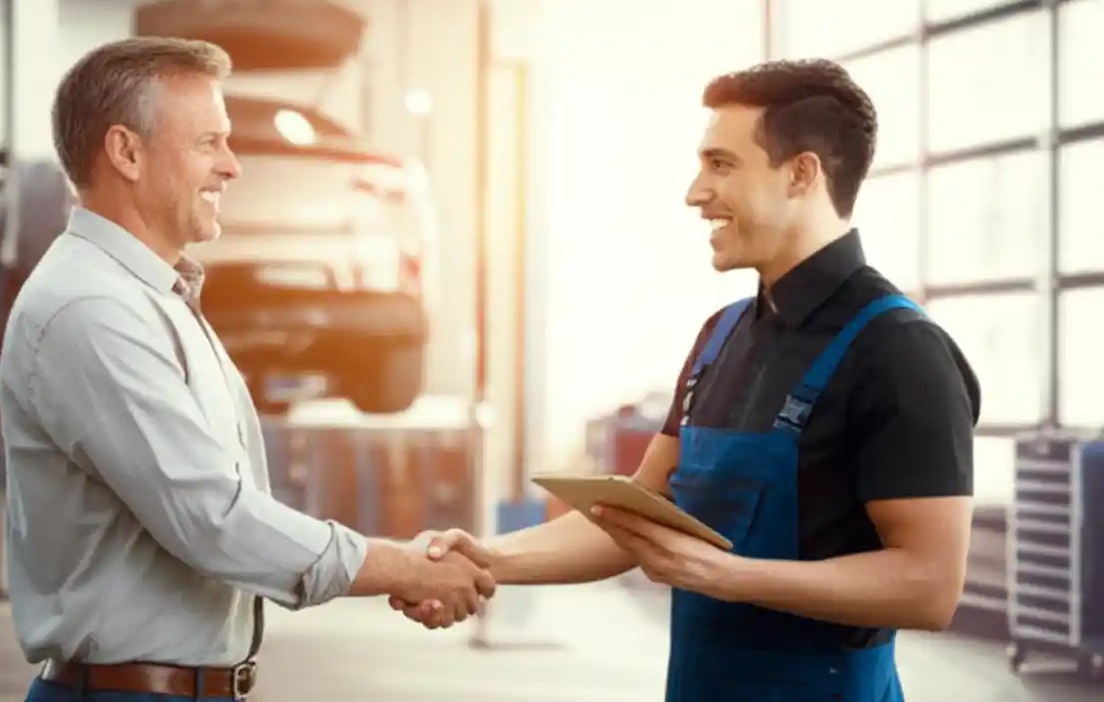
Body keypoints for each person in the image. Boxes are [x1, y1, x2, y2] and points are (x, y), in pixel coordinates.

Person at [395, 59, 980, 700]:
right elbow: (640, 517)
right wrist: (487, 558)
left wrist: (727, 576)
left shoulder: (901, 352)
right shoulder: (721, 336)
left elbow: (929, 585)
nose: (695, 191)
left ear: (802, 173)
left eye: (721, 164)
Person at [0, 37, 494, 702]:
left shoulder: (152, 299)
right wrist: (401, 567)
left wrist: (401, 568)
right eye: (209, 143)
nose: (232, 166)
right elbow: (212, 519)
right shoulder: (92, 310)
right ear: (126, 152)